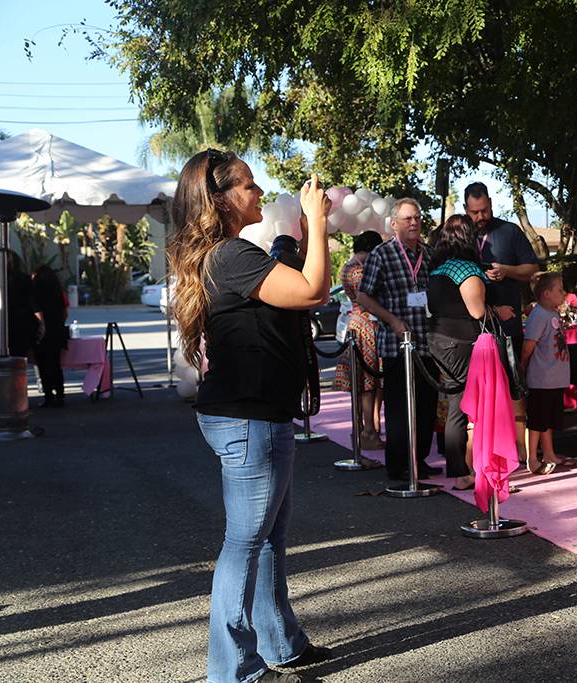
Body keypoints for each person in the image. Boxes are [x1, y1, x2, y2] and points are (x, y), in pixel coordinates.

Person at [169, 148, 333, 683]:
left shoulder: (230, 255)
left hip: (258, 412)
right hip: (247, 417)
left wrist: (308, 232)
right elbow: (312, 290)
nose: (259, 192)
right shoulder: (230, 256)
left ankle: (279, 642)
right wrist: (320, 220)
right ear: (220, 200)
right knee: (245, 542)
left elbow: (293, 293)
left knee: (266, 538)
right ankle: (231, 669)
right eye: (248, 185)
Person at [357, 198, 442, 481]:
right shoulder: (381, 254)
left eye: (417, 218)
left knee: (426, 406)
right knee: (399, 407)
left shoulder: (429, 255)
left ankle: (419, 460)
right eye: (407, 219)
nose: (414, 223)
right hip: (397, 344)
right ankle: (398, 464)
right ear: (394, 224)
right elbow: (363, 296)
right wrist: (391, 320)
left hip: (427, 343)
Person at [464, 182, 540, 461]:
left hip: (507, 326)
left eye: (484, 210)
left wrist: (507, 270)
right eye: (474, 212)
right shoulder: (461, 235)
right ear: (465, 210)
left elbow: (532, 268)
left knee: (513, 385)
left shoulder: (509, 231)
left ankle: (518, 450)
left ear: (491, 205)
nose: (480, 217)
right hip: (471, 327)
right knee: (475, 392)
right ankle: (478, 453)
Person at [426, 214, 491, 490]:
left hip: (439, 340)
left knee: (455, 407)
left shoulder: (437, 269)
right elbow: (477, 310)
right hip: (462, 343)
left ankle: (459, 470)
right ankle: (469, 471)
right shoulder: (466, 269)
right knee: (469, 409)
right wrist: (497, 310)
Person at [333, 230, 385, 453]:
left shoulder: (350, 265)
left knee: (365, 381)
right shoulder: (358, 270)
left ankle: (366, 429)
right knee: (366, 382)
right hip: (366, 325)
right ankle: (368, 432)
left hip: (358, 324)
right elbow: (370, 297)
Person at [521, 272, 570, 475]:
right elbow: (529, 345)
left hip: (553, 379)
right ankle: (532, 458)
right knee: (537, 421)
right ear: (547, 294)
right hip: (541, 379)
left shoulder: (553, 313)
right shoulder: (539, 314)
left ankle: (549, 453)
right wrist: (522, 367)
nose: (564, 293)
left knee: (549, 419)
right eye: (560, 289)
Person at [31, 265, 68, 408]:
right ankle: (60, 394)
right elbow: (65, 313)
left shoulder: (35, 291)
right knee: (56, 364)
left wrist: (42, 325)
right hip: (57, 330)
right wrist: (58, 324)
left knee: (43, 365)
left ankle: (49, 396)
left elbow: (36, 309)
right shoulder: (57, 290)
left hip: (41, 331)